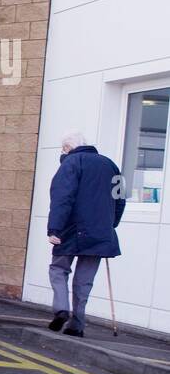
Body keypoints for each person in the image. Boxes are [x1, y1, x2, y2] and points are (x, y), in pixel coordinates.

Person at [46, 132, 125, 337]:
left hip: (71, 230)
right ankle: (77, 325)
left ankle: (61, 309)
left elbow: (62, 198)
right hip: (100, 233)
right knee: (84, 281)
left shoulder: (71, 163)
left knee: (58, 269)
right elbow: (120, 198)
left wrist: (54, 229)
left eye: (63, 150)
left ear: (67, 148)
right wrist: (111, 224)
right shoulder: (111, 165)